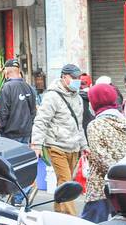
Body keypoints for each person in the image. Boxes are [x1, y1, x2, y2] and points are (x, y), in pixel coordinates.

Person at [31, 64, 89, 215]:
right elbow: (41, 121)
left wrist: (84, 145)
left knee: (62, 183)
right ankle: (72, 218)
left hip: (74, 146)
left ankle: (58, 214)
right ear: (64, 77)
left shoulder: (77, 97)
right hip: (56, 145)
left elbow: (79, 124)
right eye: (73, 78)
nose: (77, 81)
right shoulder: (52, 96)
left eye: (78, 78)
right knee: (66, 182)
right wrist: (36, 144)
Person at [83, 82, 126, 223]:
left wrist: (116, 173)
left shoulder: (95, 125)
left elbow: (100, 156)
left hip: (101, 188)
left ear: (94, 102)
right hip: (125, 188)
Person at [0, 58, 37, 143]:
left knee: (11, 156)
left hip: (10, 136)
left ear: (6, 72)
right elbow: (33, 111)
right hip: (26, 134)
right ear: (19, 71)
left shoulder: (7, 87)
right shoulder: (29, 87)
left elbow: (3, 112)